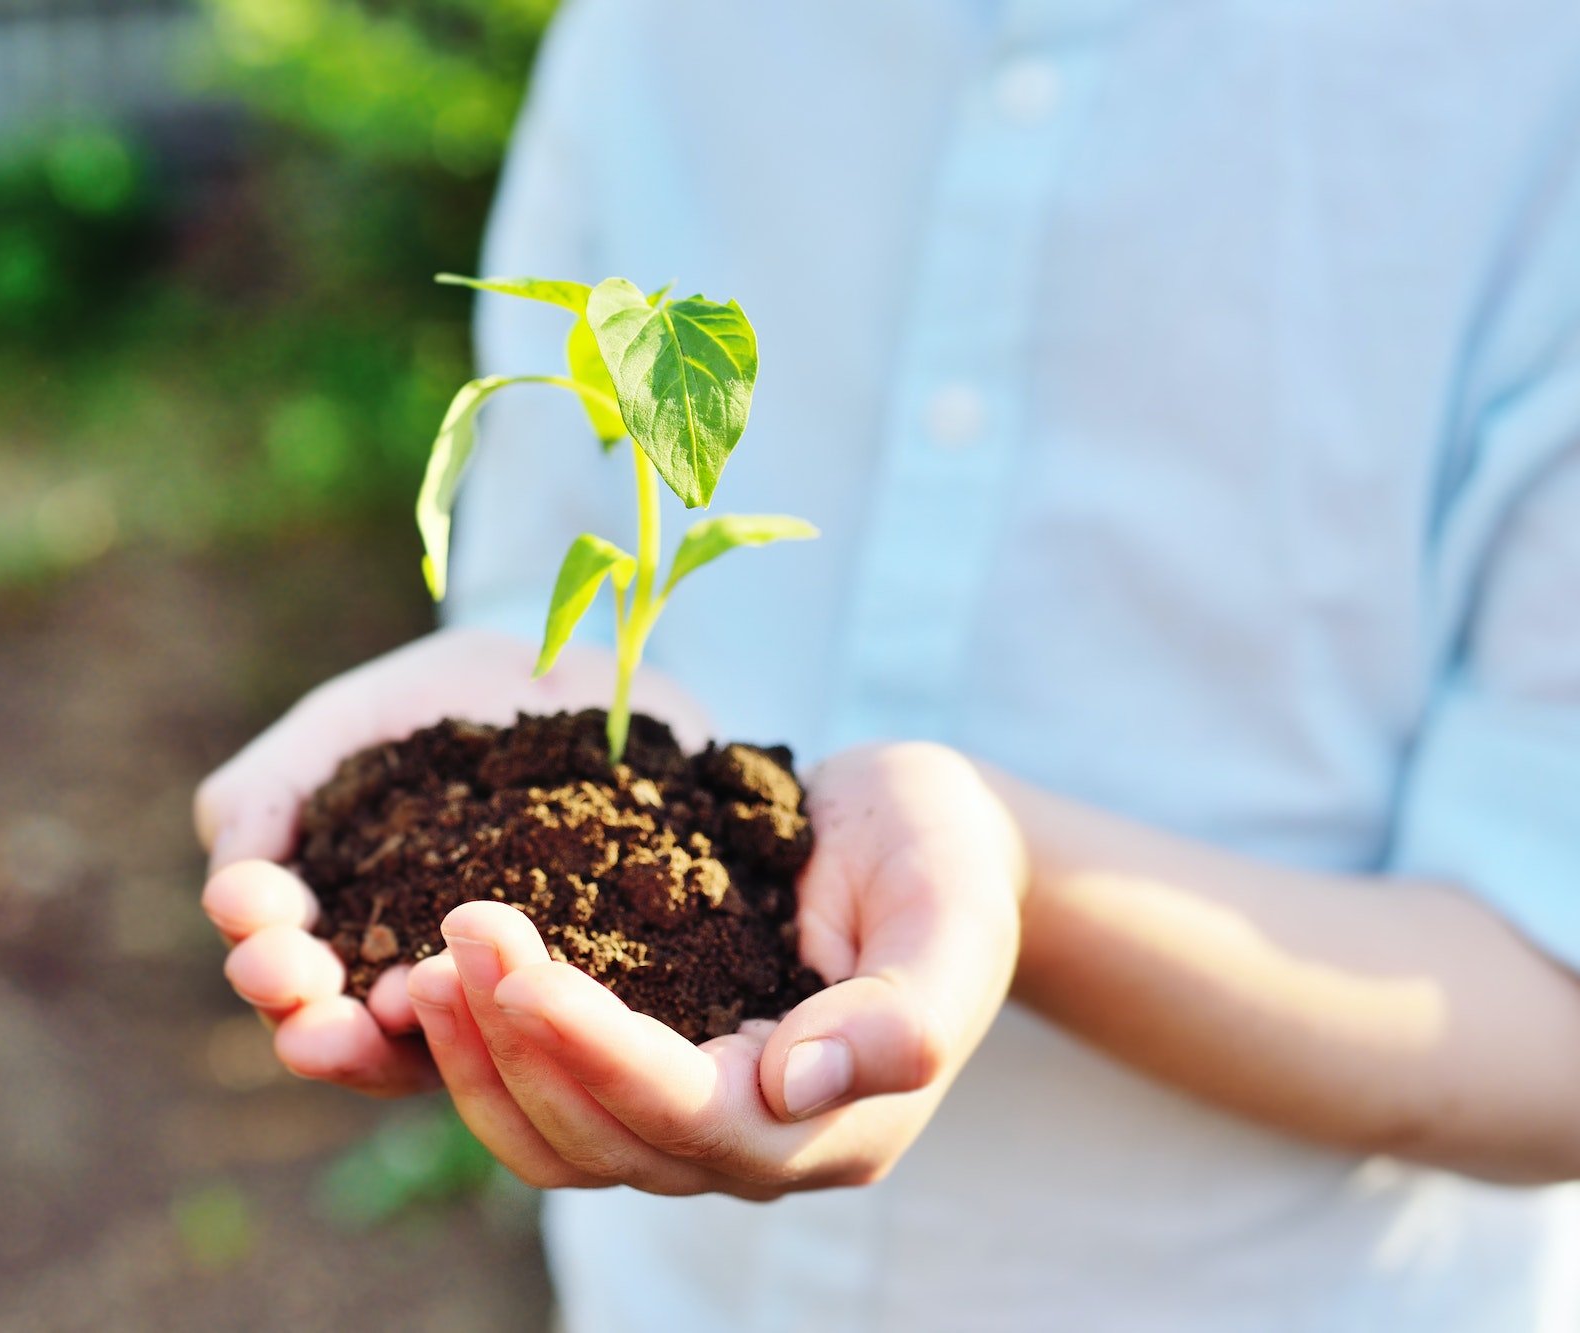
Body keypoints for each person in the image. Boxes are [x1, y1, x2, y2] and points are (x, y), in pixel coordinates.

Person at [194, 2, 1580, 1327]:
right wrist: (489, 708)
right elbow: (534, 581)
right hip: (666, 1296)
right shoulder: (662, 26)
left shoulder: (1526, 71)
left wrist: (1007, 871)